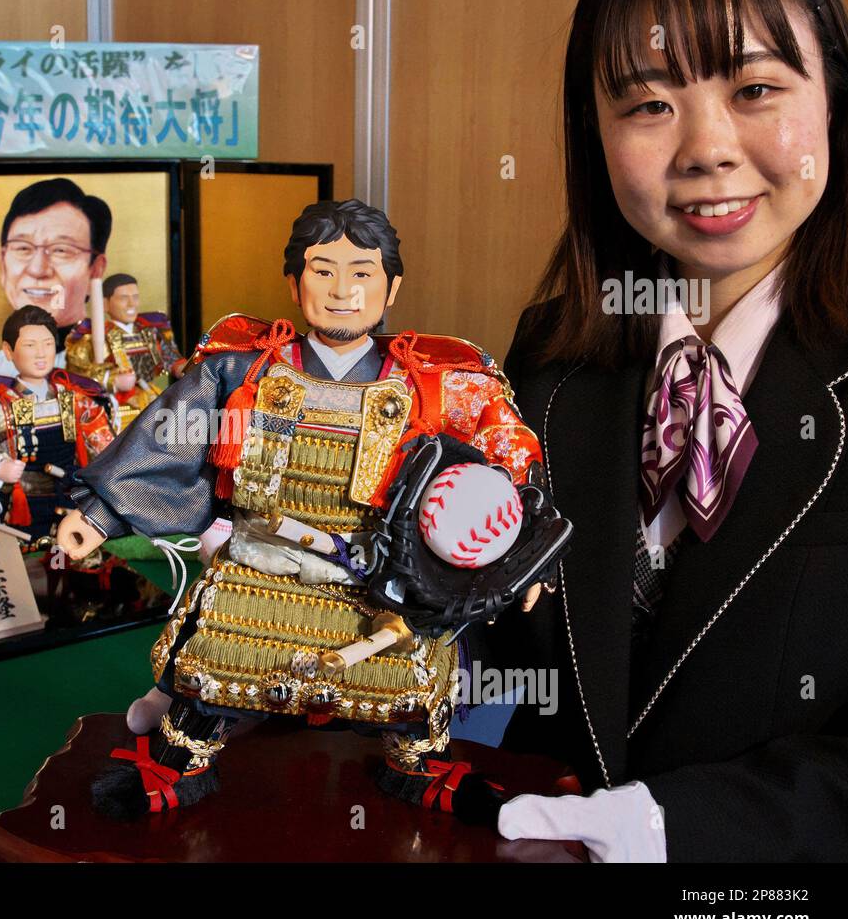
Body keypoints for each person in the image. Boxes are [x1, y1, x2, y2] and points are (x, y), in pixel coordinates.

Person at [487, 0, 848, 862]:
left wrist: (675, 827)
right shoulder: (548, 354)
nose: (707, 150)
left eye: (757, 88)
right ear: (595, 134)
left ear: (834, 99)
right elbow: (506, 640)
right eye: (648, 104)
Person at [55, 199, 545, 819]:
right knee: (213, 670)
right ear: (294, 283)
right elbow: (167, 435)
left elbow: (507, 460)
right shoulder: (242, 366)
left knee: (408, 687)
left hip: (380, 585)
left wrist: (522, 558)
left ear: (392, 286)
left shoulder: (441, 380)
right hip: (261, 566)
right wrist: (97, 514)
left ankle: (415, 765)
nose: (343, 290)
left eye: (362, 273)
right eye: (323, 270)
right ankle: (182, 761)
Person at [0, 305, 116, 550]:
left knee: (75, 561)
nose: (41, 354)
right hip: (15, 503)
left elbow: (104, 445)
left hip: (69, 500)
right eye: (30, 345)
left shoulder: (76, 399)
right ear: (8, 350)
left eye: (47, 344)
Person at [0, 178, 112, 379]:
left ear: (95, 270)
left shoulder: (116, 365)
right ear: (3, 263)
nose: (37, 269)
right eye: (23, 248)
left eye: (61, 250)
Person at [65, 272, 188, 430]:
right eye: (123, 298)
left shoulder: (149, 331)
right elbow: (76, 373)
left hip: (150, 398)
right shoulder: (93, 337)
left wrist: (184, 368)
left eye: (135, 297)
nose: (132, 304)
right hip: (115, 406)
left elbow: (171, 359)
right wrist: (111, 380)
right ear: (105, 303)